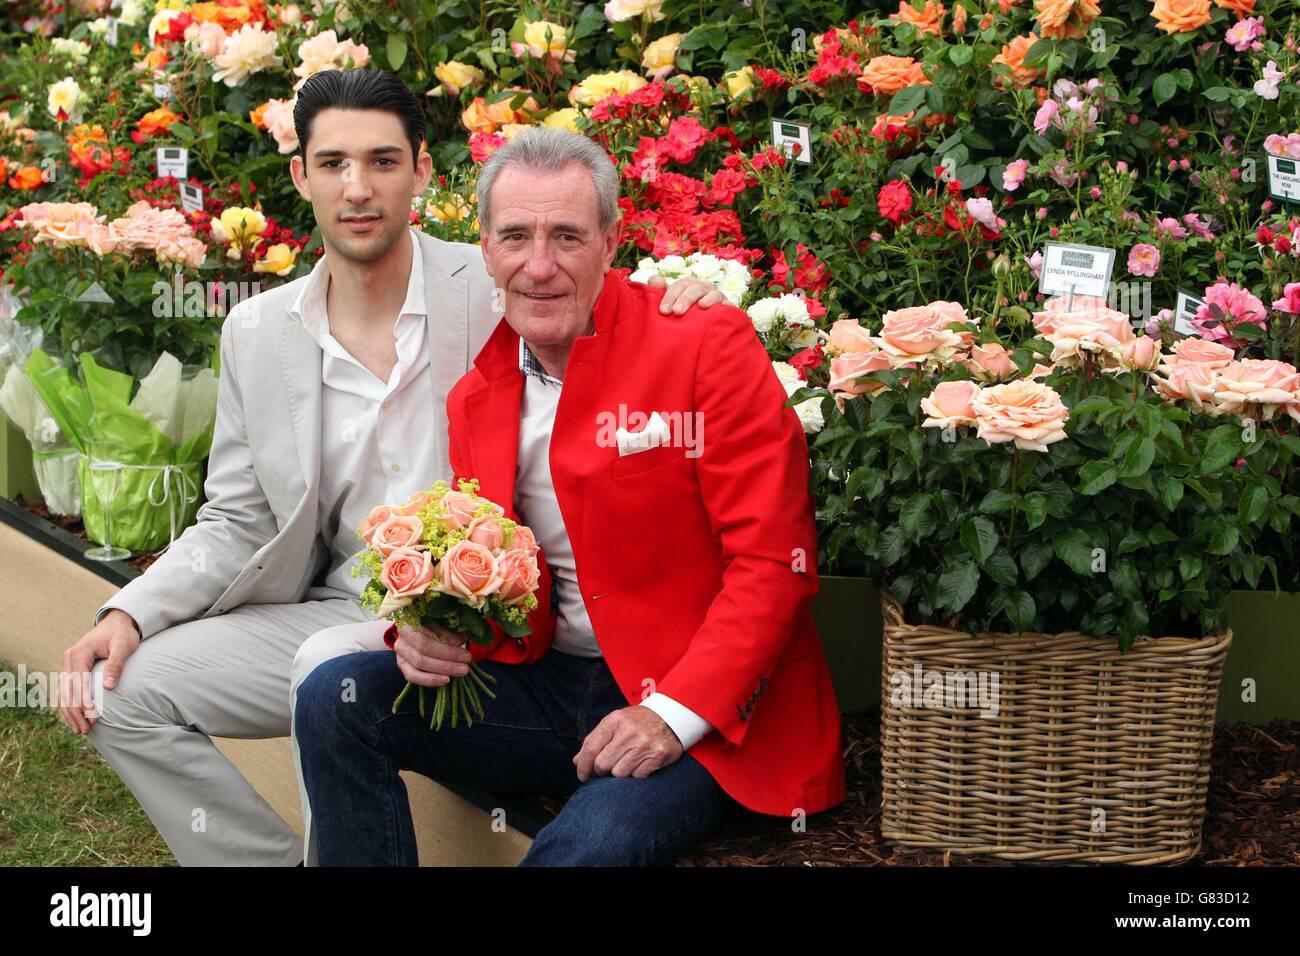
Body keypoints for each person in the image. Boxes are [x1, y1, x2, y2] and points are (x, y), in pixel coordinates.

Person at [55, 70, 722, 866]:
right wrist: (129, 612)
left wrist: (688, 292)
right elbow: (237, 518)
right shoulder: (256, 330)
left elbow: (599, 293)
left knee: (328, 670)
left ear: (423, 171)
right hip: (328, 605)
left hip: (470, 620)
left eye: (381, 161)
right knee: (115, 691)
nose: (358, 188)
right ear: (300, 175)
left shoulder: (501, 284)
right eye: (332, 163)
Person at [293, 126, 846, 867]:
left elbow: (775, 566)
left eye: (568, 236)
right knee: (335, 700)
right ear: (485, 249)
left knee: (580, 854)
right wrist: (435, 632)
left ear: (612, 242)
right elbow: (505, 586)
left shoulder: (701, 343)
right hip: (549, 687)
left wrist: (667, 716)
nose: (540, 266)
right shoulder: (477, 396)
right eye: (516, 237)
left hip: (696, 709)